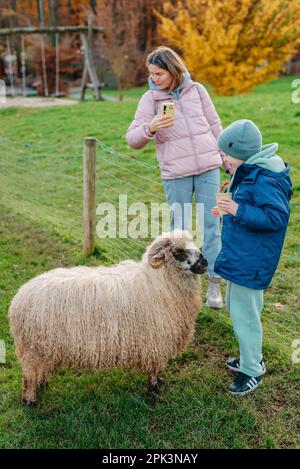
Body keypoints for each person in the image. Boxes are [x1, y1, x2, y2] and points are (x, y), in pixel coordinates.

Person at [126, 46, 232, 308]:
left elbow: (214, 125)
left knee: (212, 228)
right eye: (151, 73)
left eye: (159, 73)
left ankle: (214, 286)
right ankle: (181, 288)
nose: (155, 78)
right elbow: (132, 139)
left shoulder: (197, 91)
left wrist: (226, 158)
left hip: (208, 167)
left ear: (173, 69)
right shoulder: (150, 100)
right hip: (176, 174)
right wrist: (150, 128)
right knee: (179, 234)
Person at [212, 119, 292, 396]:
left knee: (245, 314)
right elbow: (248, 204)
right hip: (243, 255)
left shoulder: (265, 178)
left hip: (253, 260)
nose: (222, 158)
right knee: (240, 308)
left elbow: (276, 217)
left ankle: (251, 370)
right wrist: (230, 206)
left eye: (225, 154)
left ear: (240, 152)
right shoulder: (250, 169)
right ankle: (250, 357)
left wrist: (236, 209)